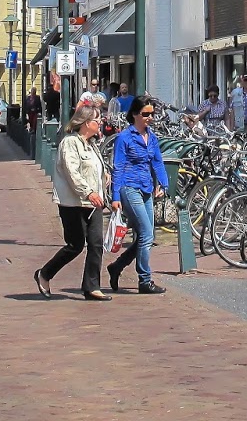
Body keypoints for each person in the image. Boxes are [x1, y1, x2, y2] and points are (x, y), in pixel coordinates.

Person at [34, 105, 111, 302]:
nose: (100, 122)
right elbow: (72, 172)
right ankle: (44, 273)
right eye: (97, 120)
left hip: (94, 203)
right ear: (86, 123)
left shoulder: (92, 144)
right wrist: (88, 192)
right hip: (73, 203)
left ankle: (92, 287)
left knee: (96, 243)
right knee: (75, 245)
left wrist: (104, 176)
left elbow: (93, 168)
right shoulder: (70, 143)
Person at [107, 96, 168, 295]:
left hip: (146, 188)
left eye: (152, 114)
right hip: (129, 187)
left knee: (145, 235)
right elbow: (118, 167)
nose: (150, 117)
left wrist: (164, 184)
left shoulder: (152, 137)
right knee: (147, 234)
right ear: (134, 114)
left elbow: (157, 162)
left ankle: (117, 267)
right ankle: (144, 280)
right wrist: (116, 197)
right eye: (145, 114)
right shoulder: (125, 137)